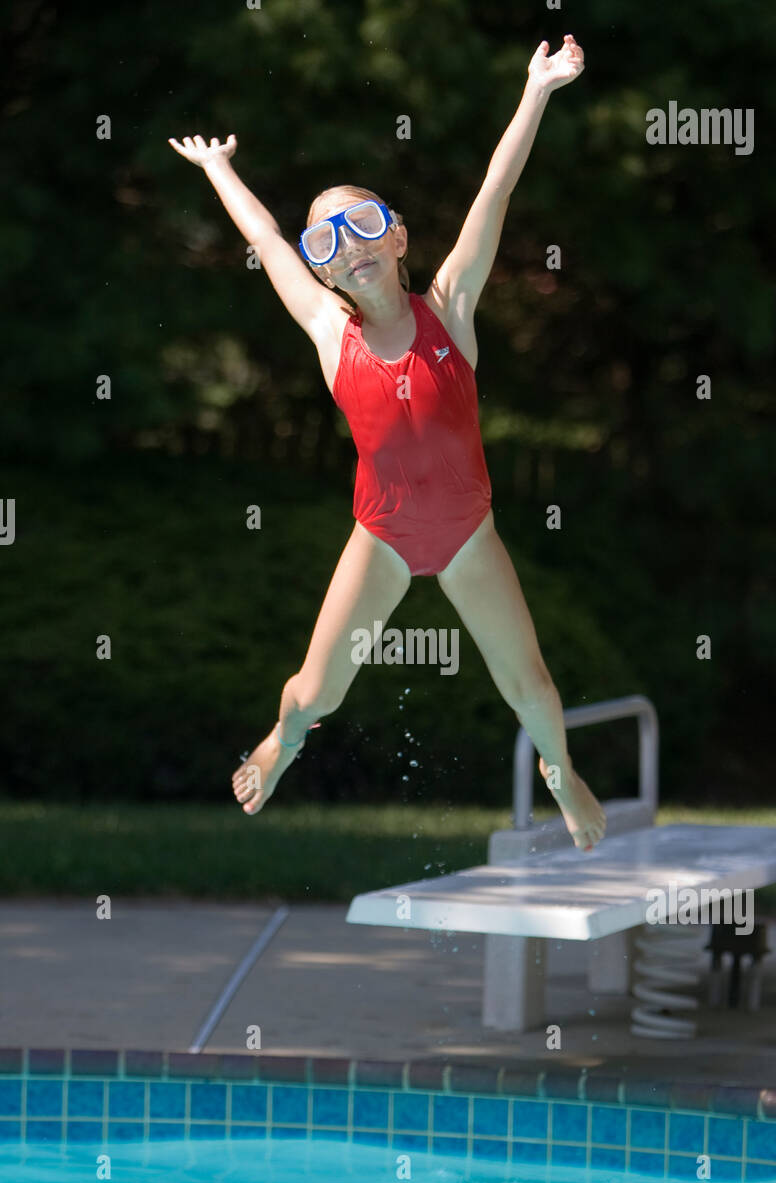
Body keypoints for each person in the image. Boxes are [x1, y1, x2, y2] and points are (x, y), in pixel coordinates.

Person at [169, 35, 606, 851]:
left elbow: (494, 189)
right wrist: (220, 169)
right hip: (383, 539)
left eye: (363, 224)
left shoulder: (453, 309)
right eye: (327, 241)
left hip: (470, 533)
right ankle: (283, 742)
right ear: (324, 273)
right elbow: (266, 241)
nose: (348, 245)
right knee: (312, 694)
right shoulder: (330, 335)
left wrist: (538, 87)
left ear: (398, 236)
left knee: (532, 686)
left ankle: (559, 771)